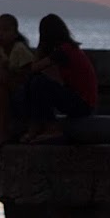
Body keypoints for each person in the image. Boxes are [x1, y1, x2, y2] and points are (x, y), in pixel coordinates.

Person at [19, 14, 99, 143]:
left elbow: (35, 68)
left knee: (38, 82)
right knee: (33, 81)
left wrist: (40, 48)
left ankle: (52, 128)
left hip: (83, 104)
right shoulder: (66, 49)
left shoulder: (64, 51)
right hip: (77, 99)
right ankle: (34, 126)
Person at [0, 13, 36, 151]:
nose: (0, 34)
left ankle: (4, 131)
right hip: (5, 91)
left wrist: (9, 71)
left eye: (6, 30)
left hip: (24, 95)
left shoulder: (19, 49)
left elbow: (30, 76)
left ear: (15, 33)